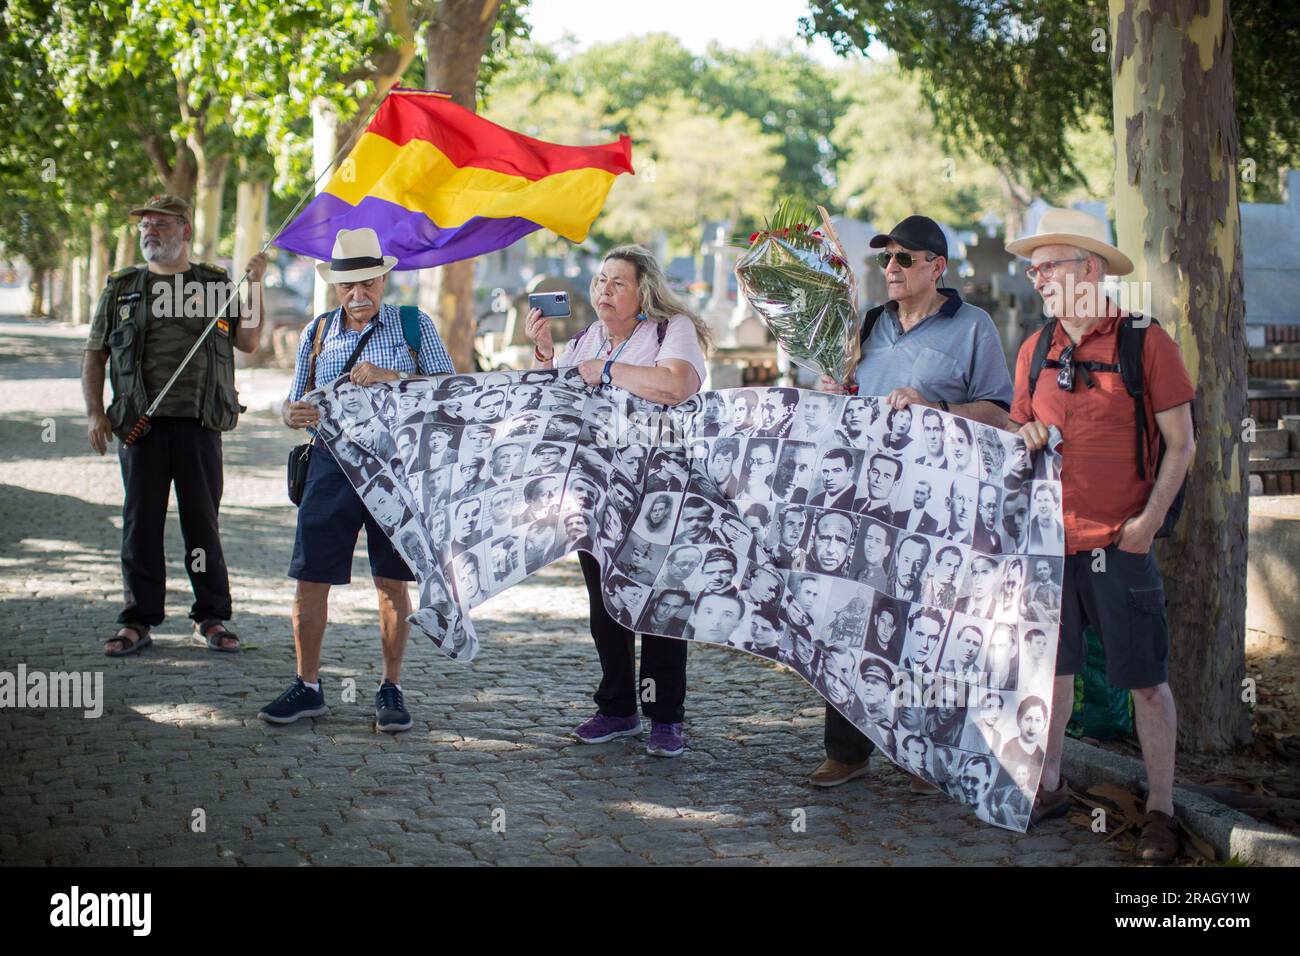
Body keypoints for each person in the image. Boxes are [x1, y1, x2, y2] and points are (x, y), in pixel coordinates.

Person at [1008, 209, 1195, 862]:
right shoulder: (1035, 351)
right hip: (1049, 549)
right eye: (1032, 269)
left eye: (1047, 266)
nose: (1037, 279)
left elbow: (1182, 445)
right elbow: (1017, 433)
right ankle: (1050, 783)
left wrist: (1146, 526)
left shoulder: (1146, 343)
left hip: (1121, 546)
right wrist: (1024, 433)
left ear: (1089, 268)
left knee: (1146, 681)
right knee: (1053, 674)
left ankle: (1163, 811)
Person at [265, 226, 454, 732]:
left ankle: (391, 688)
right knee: (309, 578)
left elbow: (448, 393)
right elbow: (292, 401)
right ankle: (308, 686)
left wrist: (393, 378)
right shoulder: (318, 332)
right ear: (334, 286)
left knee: (391, 581)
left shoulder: (414, 325)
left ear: (383, 280)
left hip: (394, 470)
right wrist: (293, 413)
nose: (358, 294)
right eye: (348, 285)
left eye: (368, 283)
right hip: (330, 464)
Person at [527, 244, 709, 758]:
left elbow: (675, 385)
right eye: (601, 281)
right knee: (606, 602)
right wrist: (544, 353)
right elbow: (556, 399)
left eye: (618, 283)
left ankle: (664, 716)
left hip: (660, 492)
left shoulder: (670, 330)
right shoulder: (586, 338)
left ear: (643, 291)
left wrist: (605, 370)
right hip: (597, 493)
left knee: (659, 605)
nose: (604, 291)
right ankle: (618, 708)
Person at [85, 194, 267, 657]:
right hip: (139, 427)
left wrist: (256, 287)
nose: (150, 231)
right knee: (139, 524)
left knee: (201, 525)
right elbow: (95, 352)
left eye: (161, 225)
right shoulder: (123, 288)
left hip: (199, 425)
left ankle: (211, 617)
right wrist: (93, 411)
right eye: (145, 225)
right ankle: (137, 620)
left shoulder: (213, 284)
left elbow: (247, 341)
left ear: (185, 231)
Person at [1026, 483, 1065, 552]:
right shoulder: (1027, 529)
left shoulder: (1062, 531)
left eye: (1046, 500)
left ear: (1056, 504)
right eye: (1039, 501)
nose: (1042, 505)